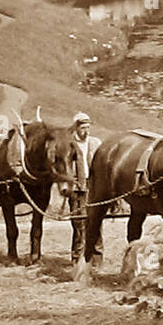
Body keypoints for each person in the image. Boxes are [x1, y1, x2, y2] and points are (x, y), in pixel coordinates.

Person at [69, 112, 103, 264]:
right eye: (83, 127)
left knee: (97, 221)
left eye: (88, 127)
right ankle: (78, 257)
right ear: (76, 127)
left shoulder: (96, 143)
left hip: (94, 187)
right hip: (77, 188)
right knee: (79, 223)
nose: (86, 131)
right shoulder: (68, 144)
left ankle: (96, 257)